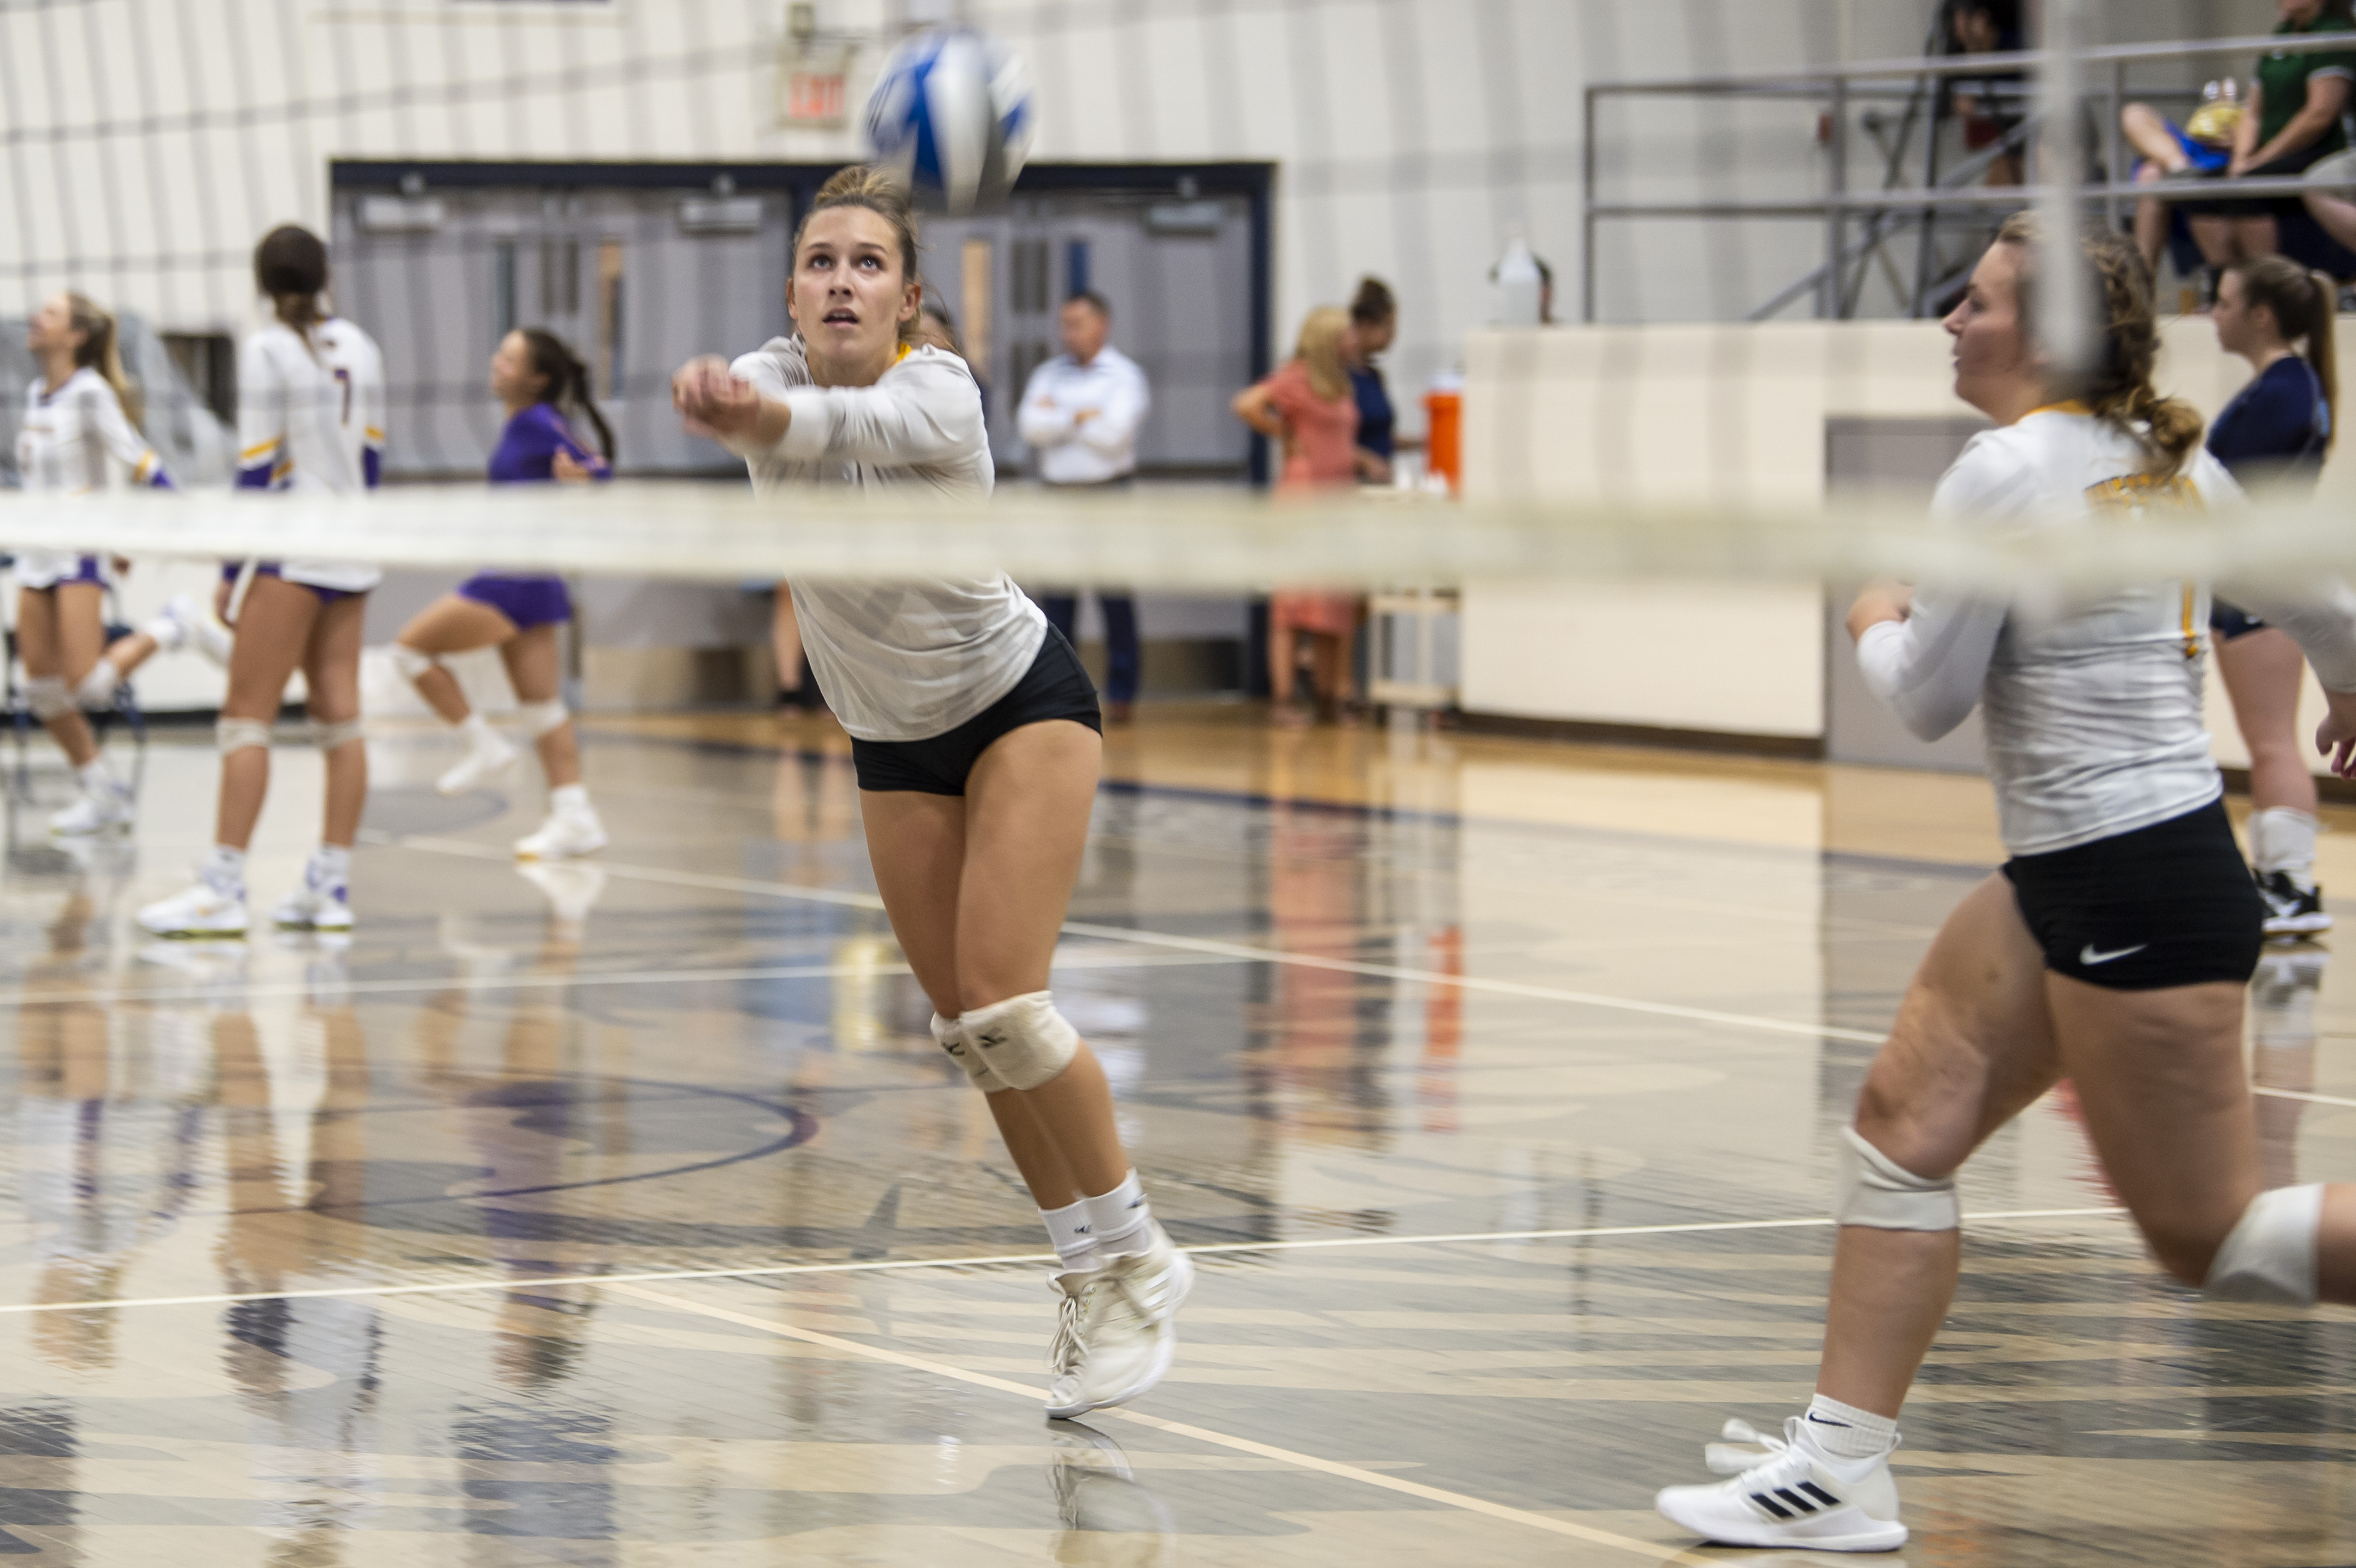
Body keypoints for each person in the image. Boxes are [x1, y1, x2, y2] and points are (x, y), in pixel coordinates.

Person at [1654, 214, 2356, 1553]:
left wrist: (1870, 610)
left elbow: (1925, 696)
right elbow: (2315, 587)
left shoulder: (2006, 470)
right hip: (2082, 872)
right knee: (1901, 1125)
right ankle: (1838, 1470)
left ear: (2041, 339)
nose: (1950, 322)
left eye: (1972, 303)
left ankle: (1839, 1466)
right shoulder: (2167, 464)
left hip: (2133, 889)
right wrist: (2350, 678)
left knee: (2208, 1235)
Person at [669, 165, 1191, 1419]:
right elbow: (780, 407)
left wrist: (748, 417)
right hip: (890, 737)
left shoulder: (937, 388)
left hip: (1019, 704)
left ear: (907, 297)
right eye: (820, 260)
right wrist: (733, 397)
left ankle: (1143, 1249)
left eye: (866, 262)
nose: (841, 279)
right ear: (794, 292)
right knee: (969, 1034)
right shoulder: (774, 375)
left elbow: (851, 433)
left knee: (1009, 1006)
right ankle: (1089, 1276)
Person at [138, 225, 385, 939]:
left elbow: (256, 472)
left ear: (261, 281)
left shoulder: (267, 349)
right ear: (324, 274)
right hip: (355, 547)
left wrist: (229, 568)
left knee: (246, 718)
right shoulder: (362, 347)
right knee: (341, 719)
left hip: (293, 549)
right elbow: (370, 463)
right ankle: (329, 886)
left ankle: (220, 888)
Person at [388, 327, 613, 860]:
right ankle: (575, 817)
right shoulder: (523, 422)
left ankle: (480, 742)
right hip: (527, 573)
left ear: (537, 379)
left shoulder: (537, 422)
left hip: (513, 577)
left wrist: (584, 478)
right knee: (542, 709)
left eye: (509, 360)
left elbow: (598, 469)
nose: (496, 364)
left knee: (409, 650)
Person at [14, 291, 225, 836]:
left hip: (78, 551)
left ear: (76, 336)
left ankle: (176, 624)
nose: (37, 318)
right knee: (40, 689)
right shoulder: (39, 392)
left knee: (87, 687)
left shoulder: (89, 393)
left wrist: (183, 514)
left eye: (51, 313)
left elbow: (138, 457)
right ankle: (103, 793)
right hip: (35, 553)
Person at [2206, 255, 2339, 936]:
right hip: (2245, 586)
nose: (2214, 314)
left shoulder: (2284, 389)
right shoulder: (2278, 386)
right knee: (2267, 740)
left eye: (2224, 302)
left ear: (2259, 316)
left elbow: (2235, 500)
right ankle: (2278, 881)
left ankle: (2289, 886)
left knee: (2270, 741)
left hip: (2264, 586)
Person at [2123, 0, 2356, 280]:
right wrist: (2242, 159)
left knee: (2249, 191)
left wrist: (2262, 158)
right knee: (2201, 192)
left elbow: (2319, 115)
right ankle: (2225, 284)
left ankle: (2268, 285)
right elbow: (2253, 112)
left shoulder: (2333, 33)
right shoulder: (2281, 34)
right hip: (2264, 153)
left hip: (2311, 150)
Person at [1018, 291, 1150, 725]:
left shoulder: (1125, 376)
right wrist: (1082, 416)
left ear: (1101, 325)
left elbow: (1113, 434)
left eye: (1076, 323)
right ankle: (1063, 693)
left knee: (1115, 597)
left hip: (1108, 496)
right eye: (1064, 324)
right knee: (1058, 601)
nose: (1067, 333)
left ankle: (1122, 693)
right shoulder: (1047, 374)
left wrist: (1060, 416)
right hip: (1059, 496)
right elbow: (1030, 427)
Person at [1233, 307, 1362, 726]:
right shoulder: (1295, 377)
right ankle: (1283, 701)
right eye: (1346, 334)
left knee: (1332, 599)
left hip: (1337, 498)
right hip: (1303, 496)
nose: (1353, 341)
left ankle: (1329, 699)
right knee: (1293, 601)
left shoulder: (1342, 383)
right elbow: (1247, 404)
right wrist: (1282, 434)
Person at [1945, 0, 2028, 187]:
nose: (1959, 29)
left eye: (1964, 17)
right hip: (2009, 145)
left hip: (2033, 141)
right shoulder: (1962, 55)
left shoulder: (2014, 47)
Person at [1345, 276, 1398, 485]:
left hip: (1379, 482)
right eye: (1389, 327)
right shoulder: (1340, 378)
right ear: (1365, 326)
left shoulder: (1375, 376)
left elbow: (1380, 435)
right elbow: (1325, 439)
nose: (1393, 336)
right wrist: (1366, 460)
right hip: (1349, 483)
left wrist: (1428, 441)